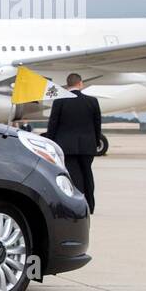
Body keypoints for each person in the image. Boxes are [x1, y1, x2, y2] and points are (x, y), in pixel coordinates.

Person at [45, 73, 101, 213]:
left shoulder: (59, 101)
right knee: (87, 174)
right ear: (80, 84)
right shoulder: (92, 101)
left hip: (66, 146)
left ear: (67, 85)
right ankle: (90, 205)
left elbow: (53, 124)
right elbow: (97, 124)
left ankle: (77, 206)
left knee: (73, 175)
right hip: (87, 146)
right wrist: (95, 142)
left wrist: (50, 143)